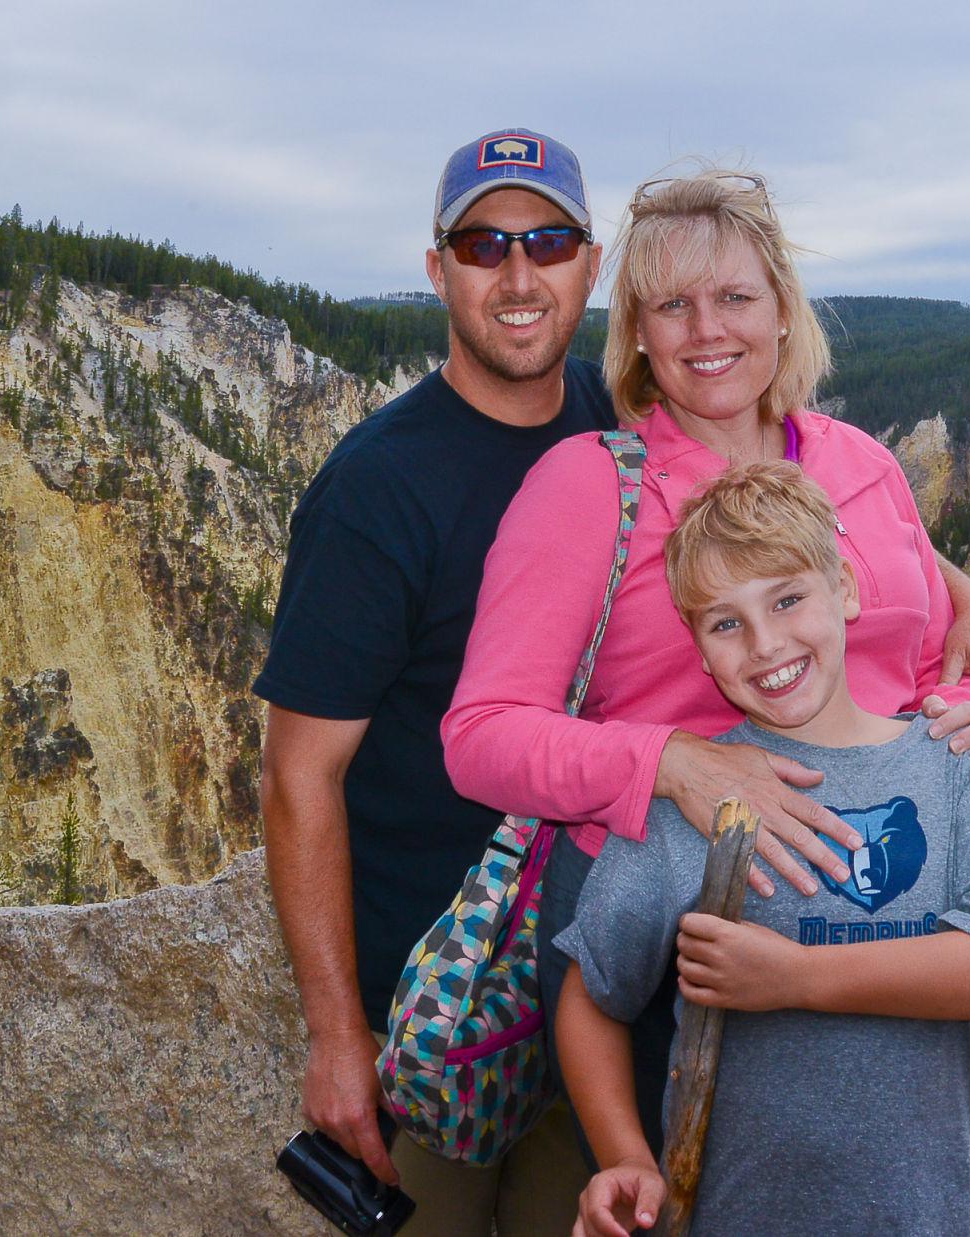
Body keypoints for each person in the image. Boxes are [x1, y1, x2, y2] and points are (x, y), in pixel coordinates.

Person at [258, 134, 970, 1232]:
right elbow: (457, 738)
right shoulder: (580, 479)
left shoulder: (859, 464)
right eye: (671, 307)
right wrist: (676, 762)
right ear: (637, 331)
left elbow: (907, 617)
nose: (707, 331)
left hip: (899, 922)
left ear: (784, 307)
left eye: (735, 297)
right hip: (679, 941)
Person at [254, 127, 615, 1235]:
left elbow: (779, 496)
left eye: (548, 242)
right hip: (431, 1017)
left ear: (592, 265)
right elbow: (299, 774)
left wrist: (961, 595)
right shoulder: (377, 488)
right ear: (437, 270)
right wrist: (336, 1035)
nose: (519, 274)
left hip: (592, 995)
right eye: (482, 245)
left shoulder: (620, 417)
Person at [554, 461, 970, 1236]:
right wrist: (625, 1155)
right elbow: (592, 993)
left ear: (845, 589)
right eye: (725, 623)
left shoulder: (956, 764)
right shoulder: (697, 795)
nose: (765, 644)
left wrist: (795, 976)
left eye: (788, 599)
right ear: (699, 648)